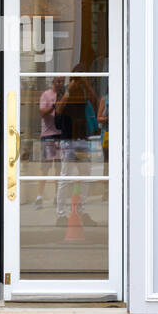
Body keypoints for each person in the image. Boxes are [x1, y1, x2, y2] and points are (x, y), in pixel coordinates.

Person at [55, 64, 101, 222]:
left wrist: (86, 84)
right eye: (78, 76)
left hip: (81, 139)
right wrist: (69, 90)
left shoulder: (84, 91)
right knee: (65, 177)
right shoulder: (66, 90)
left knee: (86, 175)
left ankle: (81, 210)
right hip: (68, 139)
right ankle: (61, 213)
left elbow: (95, 101)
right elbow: (58, 111)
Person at [35, 76, 64, 209]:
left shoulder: (64, 95)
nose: (60, 84)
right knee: (45, 167)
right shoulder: (46, 95)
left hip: (60, 135)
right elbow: (42, 112)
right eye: (58, 81)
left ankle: (57, 196)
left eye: (62, 81)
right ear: (53, 82)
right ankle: (39, 197)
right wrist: (54, 106)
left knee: (58, 168)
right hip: (48, 136)